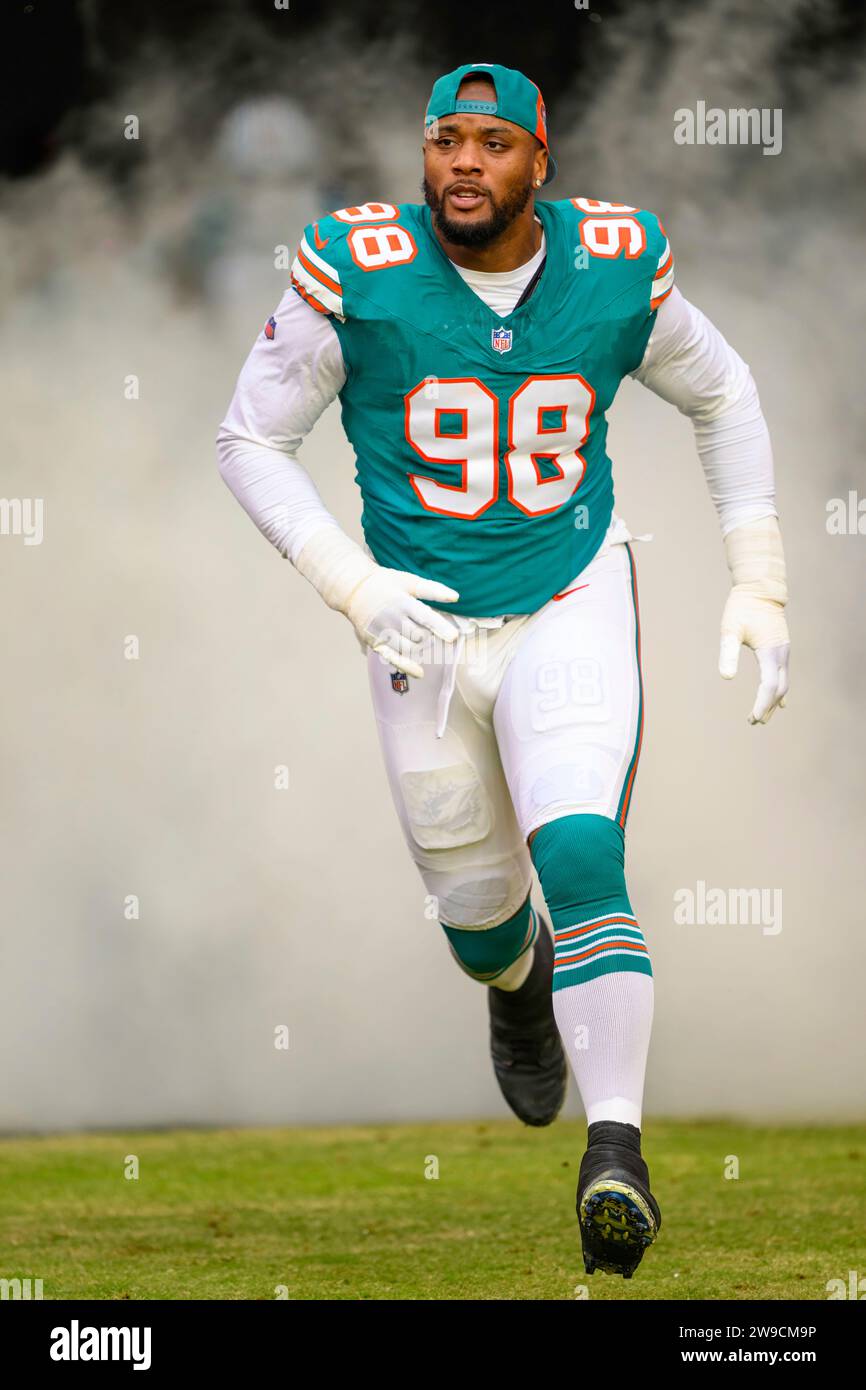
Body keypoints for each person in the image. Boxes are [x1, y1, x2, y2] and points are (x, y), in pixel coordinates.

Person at [216, 62, 790, 1279]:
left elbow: (721, 392)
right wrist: (351, 583)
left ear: (542, 162)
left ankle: (615, 1151)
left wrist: (760, 573)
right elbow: (249, 439)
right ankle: (514, 980)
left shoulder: (615, 260)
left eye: (490, 142)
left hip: (566, 593)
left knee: (576, 846)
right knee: (475, 915)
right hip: (416, 626)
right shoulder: (355, 271)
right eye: (442, 140)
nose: (462, 163)